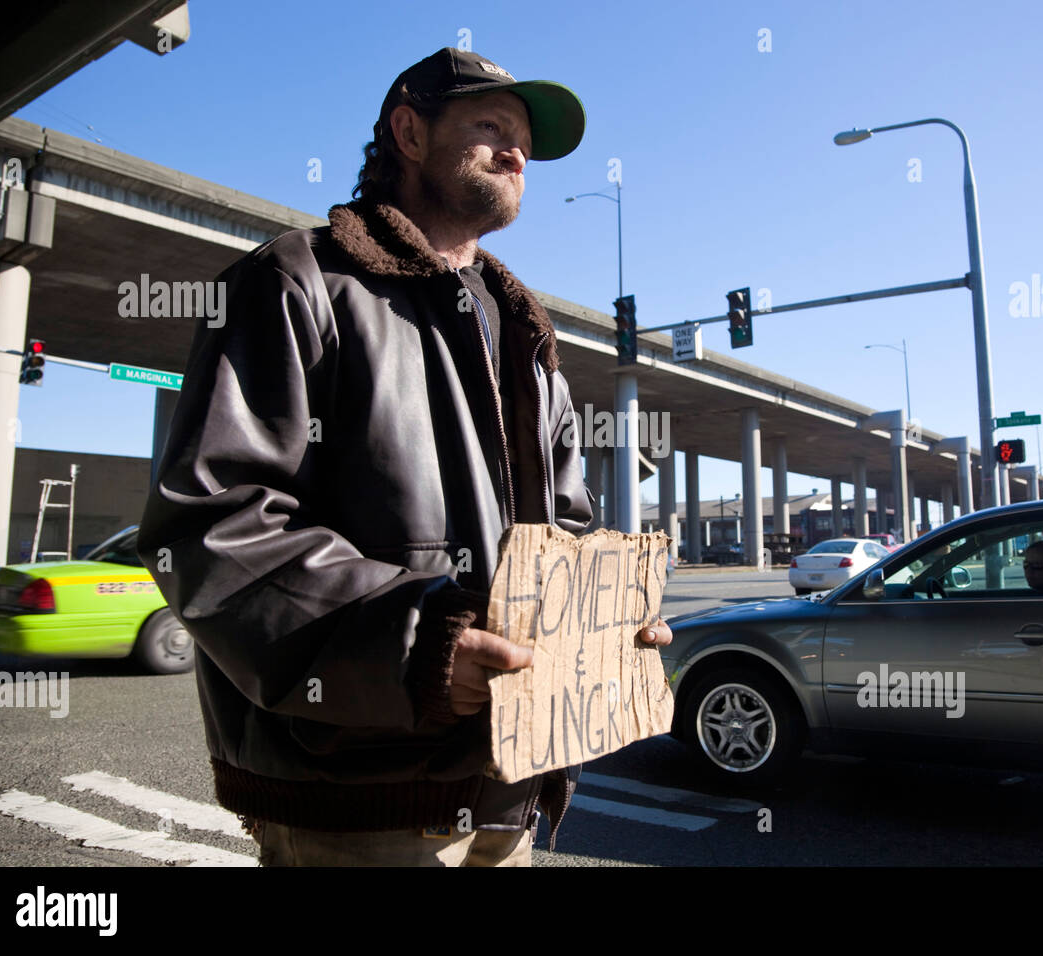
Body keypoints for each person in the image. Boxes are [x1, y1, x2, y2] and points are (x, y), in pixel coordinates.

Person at [136, 47, 671, 867]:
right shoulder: (296, 283)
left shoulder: (524, 333)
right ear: (409, 132)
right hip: (357, 807)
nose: (517, 153)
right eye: (491, 126)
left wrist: (607, 621)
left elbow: (564, 530)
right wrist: (418, 643)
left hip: (510, 785)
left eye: (525, 141)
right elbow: (211, 523)